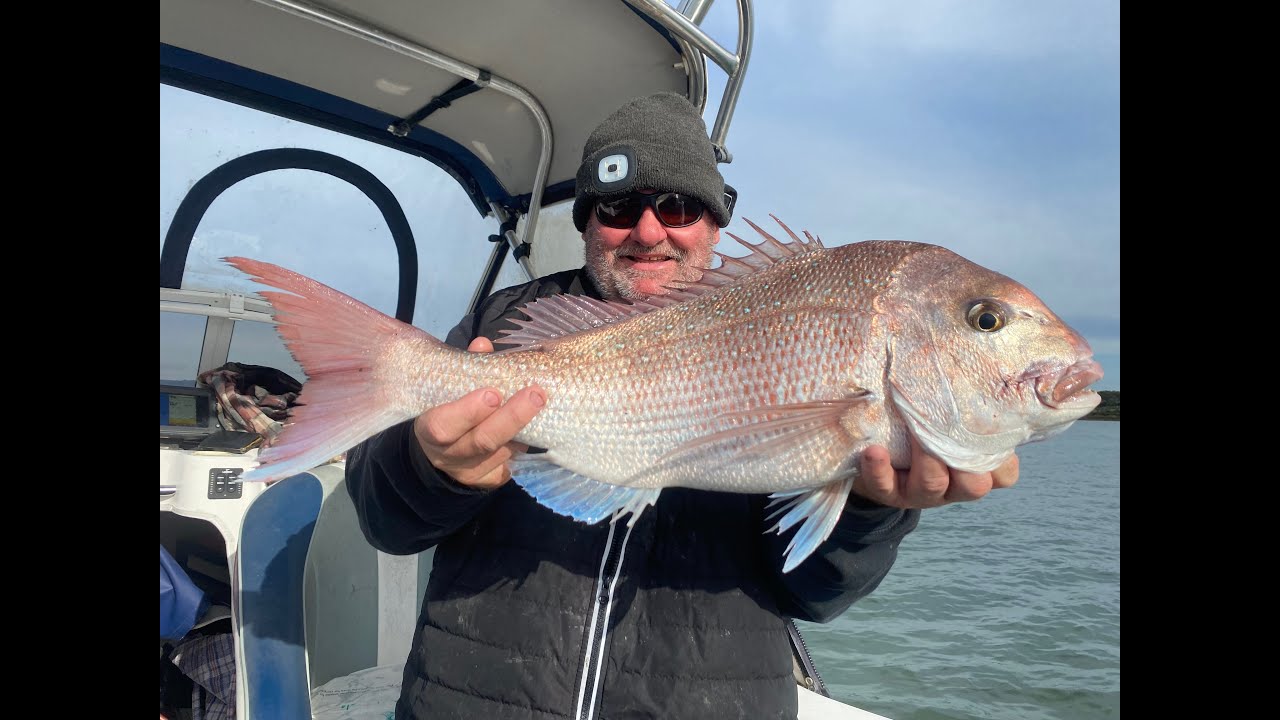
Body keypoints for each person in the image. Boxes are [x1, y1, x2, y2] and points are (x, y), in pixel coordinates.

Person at [345, 91, 1019, 720]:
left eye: (677, 206)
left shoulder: (784, 321)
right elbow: (386, 524)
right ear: (587, 224)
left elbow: (813, 593)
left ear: (713, 224)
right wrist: (429, 466)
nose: (648, 231)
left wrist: (872, 507)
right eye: (616, 208)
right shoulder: (509, 325)